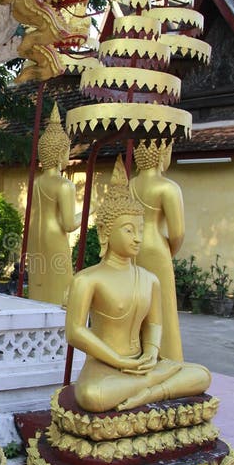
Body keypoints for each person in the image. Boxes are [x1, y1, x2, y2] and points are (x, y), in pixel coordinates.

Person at [65, 157, 210, 413]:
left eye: (141, 230)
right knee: (92, 396)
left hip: (142, 363)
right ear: (105, 232)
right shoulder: (87, 279)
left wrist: (152, 353)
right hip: (105, 366)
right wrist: (118, 360)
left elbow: (154, 323)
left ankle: (147, 390)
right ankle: (154, 385)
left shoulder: (149, 279)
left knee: (202, 375)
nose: (138, 238)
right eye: (129, 230)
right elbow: (75, 331)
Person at [130, 139, 184, 360]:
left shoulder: (130, 184)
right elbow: (178, 233)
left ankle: (136, 352)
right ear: (163, 152)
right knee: (163, 307)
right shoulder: (167, 187)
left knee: (138, 303)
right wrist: (168, 252)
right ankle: (167, 356)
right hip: (157, 247)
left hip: (132, 247)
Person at [28, 105, 82, 306]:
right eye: (67, 151)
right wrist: (87, 212)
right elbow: (68, 225)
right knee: (60, 292)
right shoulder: (64, 185)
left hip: (36, 237)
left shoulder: (36, 182)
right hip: (55, 239)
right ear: (60, 153)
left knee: (38, 287)